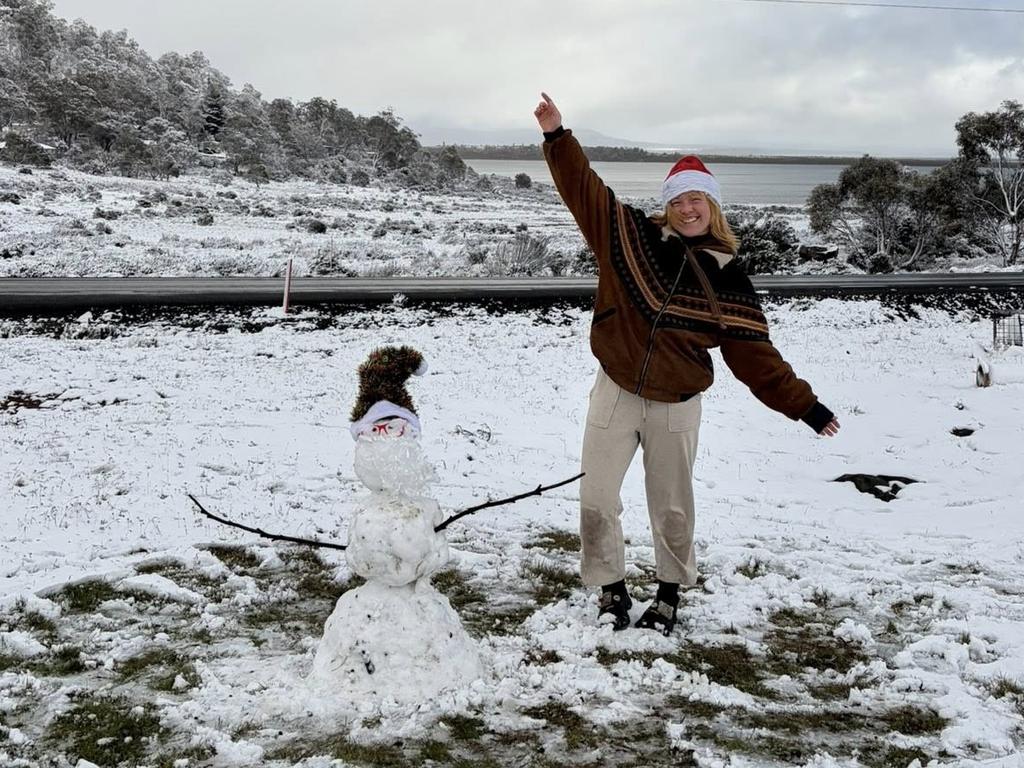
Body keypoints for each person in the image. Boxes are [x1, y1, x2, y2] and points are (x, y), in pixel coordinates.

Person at [533, 93, 840, 636]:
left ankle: (670, 594)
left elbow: (756, 358)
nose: (688, 208)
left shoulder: (730, 279)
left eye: (698, 199)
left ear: (712, 207)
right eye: (678, 200)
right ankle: (610, 589)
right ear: (667, 206)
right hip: (615, 391)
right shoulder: (630, 238)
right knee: (596, 497)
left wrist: (806, 407)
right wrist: (558, 136)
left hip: (676, 406)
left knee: (672, 508)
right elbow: (584, 190)